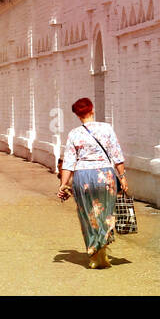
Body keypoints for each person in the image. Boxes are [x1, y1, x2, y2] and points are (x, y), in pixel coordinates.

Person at [57, 98, 128, 269]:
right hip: (105, 175)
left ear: (77, 115)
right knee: (106, 213)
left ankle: (95, 254)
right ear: (92, 110)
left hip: (82, 177)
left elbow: (68, 162)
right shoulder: (106, 128)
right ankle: (103, 250)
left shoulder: (74, 133)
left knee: (88, 215)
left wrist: (63, 183)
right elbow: (116, 154)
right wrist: (123, 176)